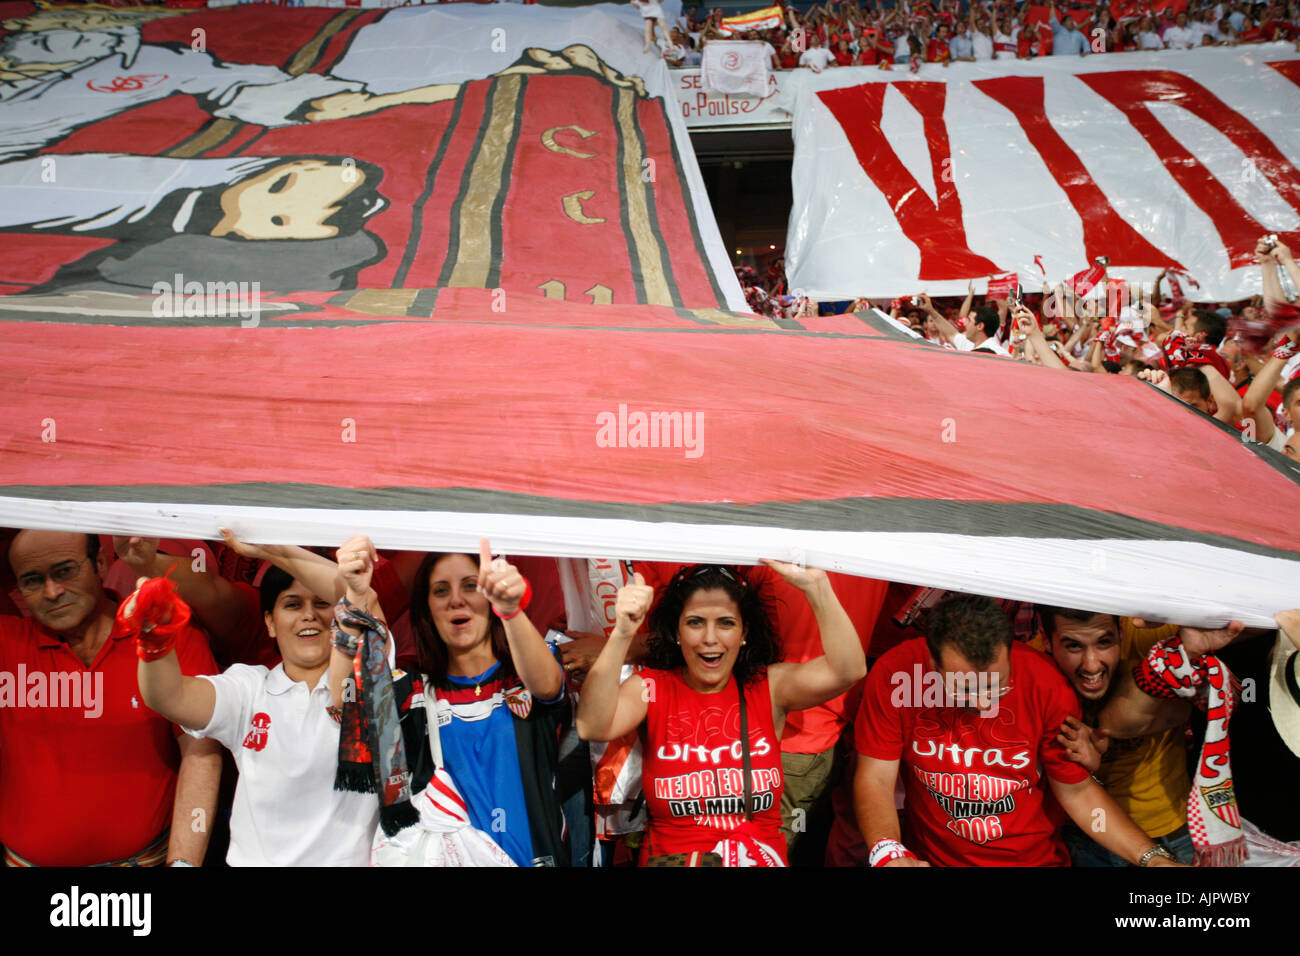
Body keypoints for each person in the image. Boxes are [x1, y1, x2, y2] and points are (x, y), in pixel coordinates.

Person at [853, 593, 1184, 866]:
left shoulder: (1045, 682)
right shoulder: (897, 675)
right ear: (932, 665)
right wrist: (888, 852)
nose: (984, 704)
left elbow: (1078, 792)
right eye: (965, 689)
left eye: (997, 686)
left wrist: (1152, 859)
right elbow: (875, 778)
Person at [577, 561, 867, 866]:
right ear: (676, 631)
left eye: (726, 623)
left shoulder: (768, 688)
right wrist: (622, 633)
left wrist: (818, 589)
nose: (710, 638)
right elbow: (591, 725)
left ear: (744, 632)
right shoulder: (651, 688)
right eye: (695, 622)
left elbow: (849, 669)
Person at [134, 537, 386, 865]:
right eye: (292, 605)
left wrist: (271, 549)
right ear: (269, 622)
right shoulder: (249, 689)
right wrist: (155, 639)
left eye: (321, 603)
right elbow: (169, 696)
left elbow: (362, 599)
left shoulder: (366, 672)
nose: (309, 615)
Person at [336, 539, 569, 866]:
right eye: (441, 590)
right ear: (427, 611)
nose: (456, 599)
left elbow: (546, 686)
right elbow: (344, 699)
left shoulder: (527, 672)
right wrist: (357, 593)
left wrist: (510, 611)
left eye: (471, 586)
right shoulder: (412, 690)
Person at [0, 530, 221, 866]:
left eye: (65, 571)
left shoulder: (168, 639)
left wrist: (184, 864)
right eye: (32, 580)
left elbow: (202, 754)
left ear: (100, 564)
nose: (52, 592)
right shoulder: (6, 645)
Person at [1037, 608, 1194, 865]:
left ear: (1121, 631)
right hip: (1084, 834)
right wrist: (1088, 770)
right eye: (1074, 646)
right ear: (1046, 640)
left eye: (1104, 642)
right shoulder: (1032, 669)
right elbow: (1072, 790)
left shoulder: (1149, 635)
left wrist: (1194, 630)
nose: (1091, 664)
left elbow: (1257, 620)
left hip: (1172, 827)